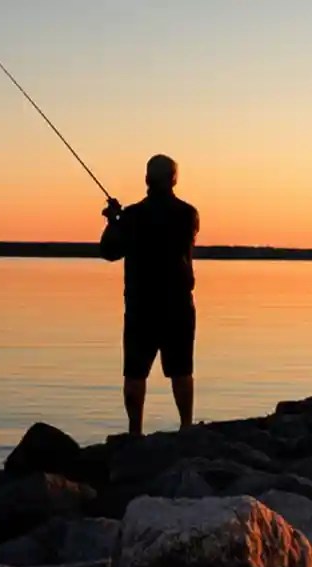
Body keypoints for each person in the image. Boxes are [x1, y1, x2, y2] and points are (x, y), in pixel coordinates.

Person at [99, 154, 200, 436]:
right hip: (178, 306)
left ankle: (135, 433)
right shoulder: (188, 214)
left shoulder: (132, 217)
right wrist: (121, 221)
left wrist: (115, 222)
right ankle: (187, 428)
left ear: (146, 180)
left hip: (141, 307)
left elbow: (108, 252)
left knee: (135, 373)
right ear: (174, 180)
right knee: (181, 370)